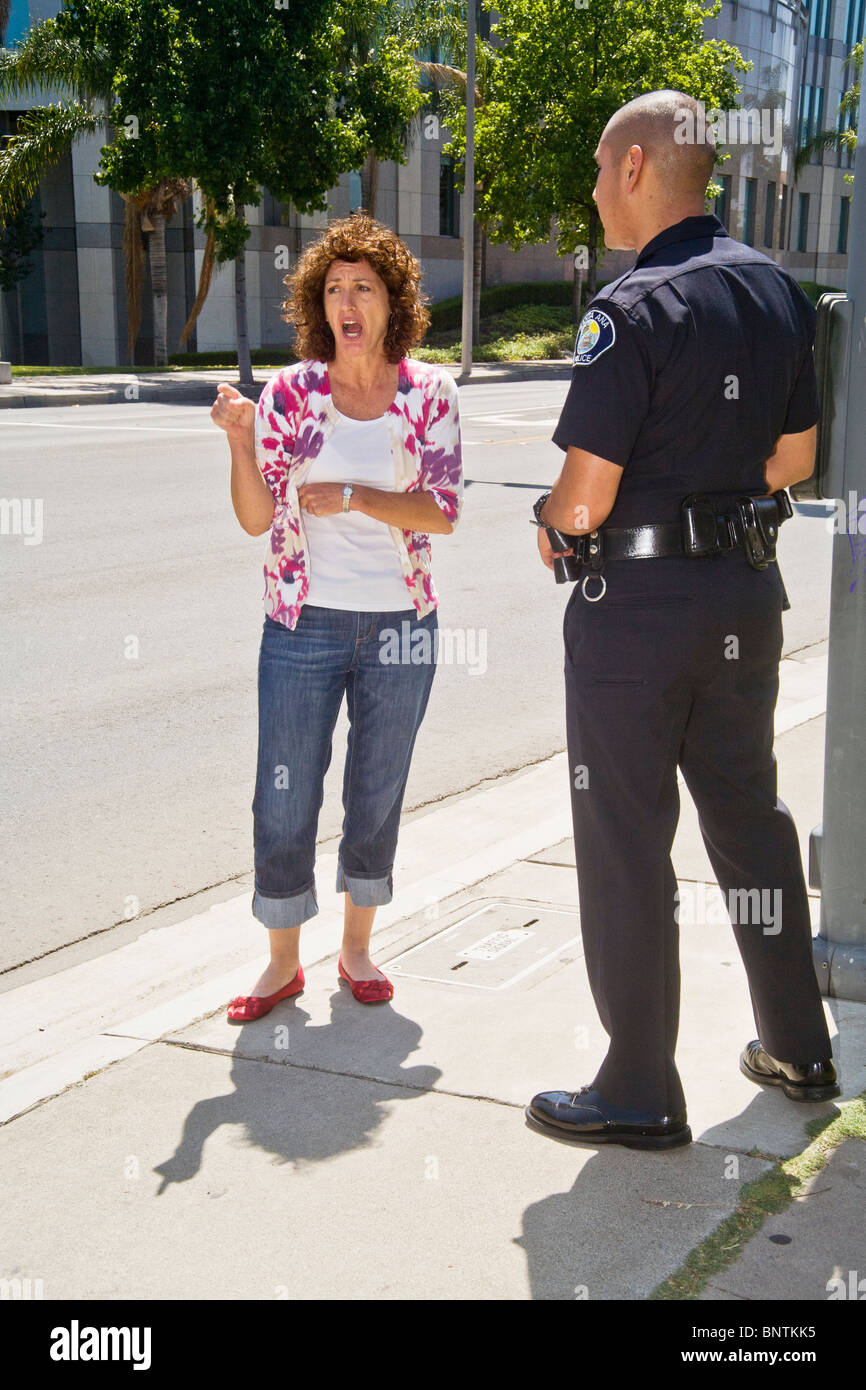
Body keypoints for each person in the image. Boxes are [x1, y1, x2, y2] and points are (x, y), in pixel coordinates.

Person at [524, 90, 839, 1151]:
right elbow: (792, 461)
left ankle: (637, 1087)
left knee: (625, 843)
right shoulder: (774, 291)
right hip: (744, 600)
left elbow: (583, 498)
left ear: (630, 168)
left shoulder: (634, 304)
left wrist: (550, 519)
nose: (593, 190)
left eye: (596, 168)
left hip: (636, 614)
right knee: (749, 821)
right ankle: (798, 1042)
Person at [210, 211, 462, 1019]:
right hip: (303, 622)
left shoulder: (430, 394)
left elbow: (443, 511)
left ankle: (356, 947)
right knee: (282, 795)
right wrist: (242, 444)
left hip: (400, 623)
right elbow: (256, 520)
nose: (347, 301)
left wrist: (355, 496)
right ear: (319, 307)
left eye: (363, 287)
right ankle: (282, 961)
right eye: (333, 289)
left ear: (394, 303)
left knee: (377, 790)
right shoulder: (289, 394)